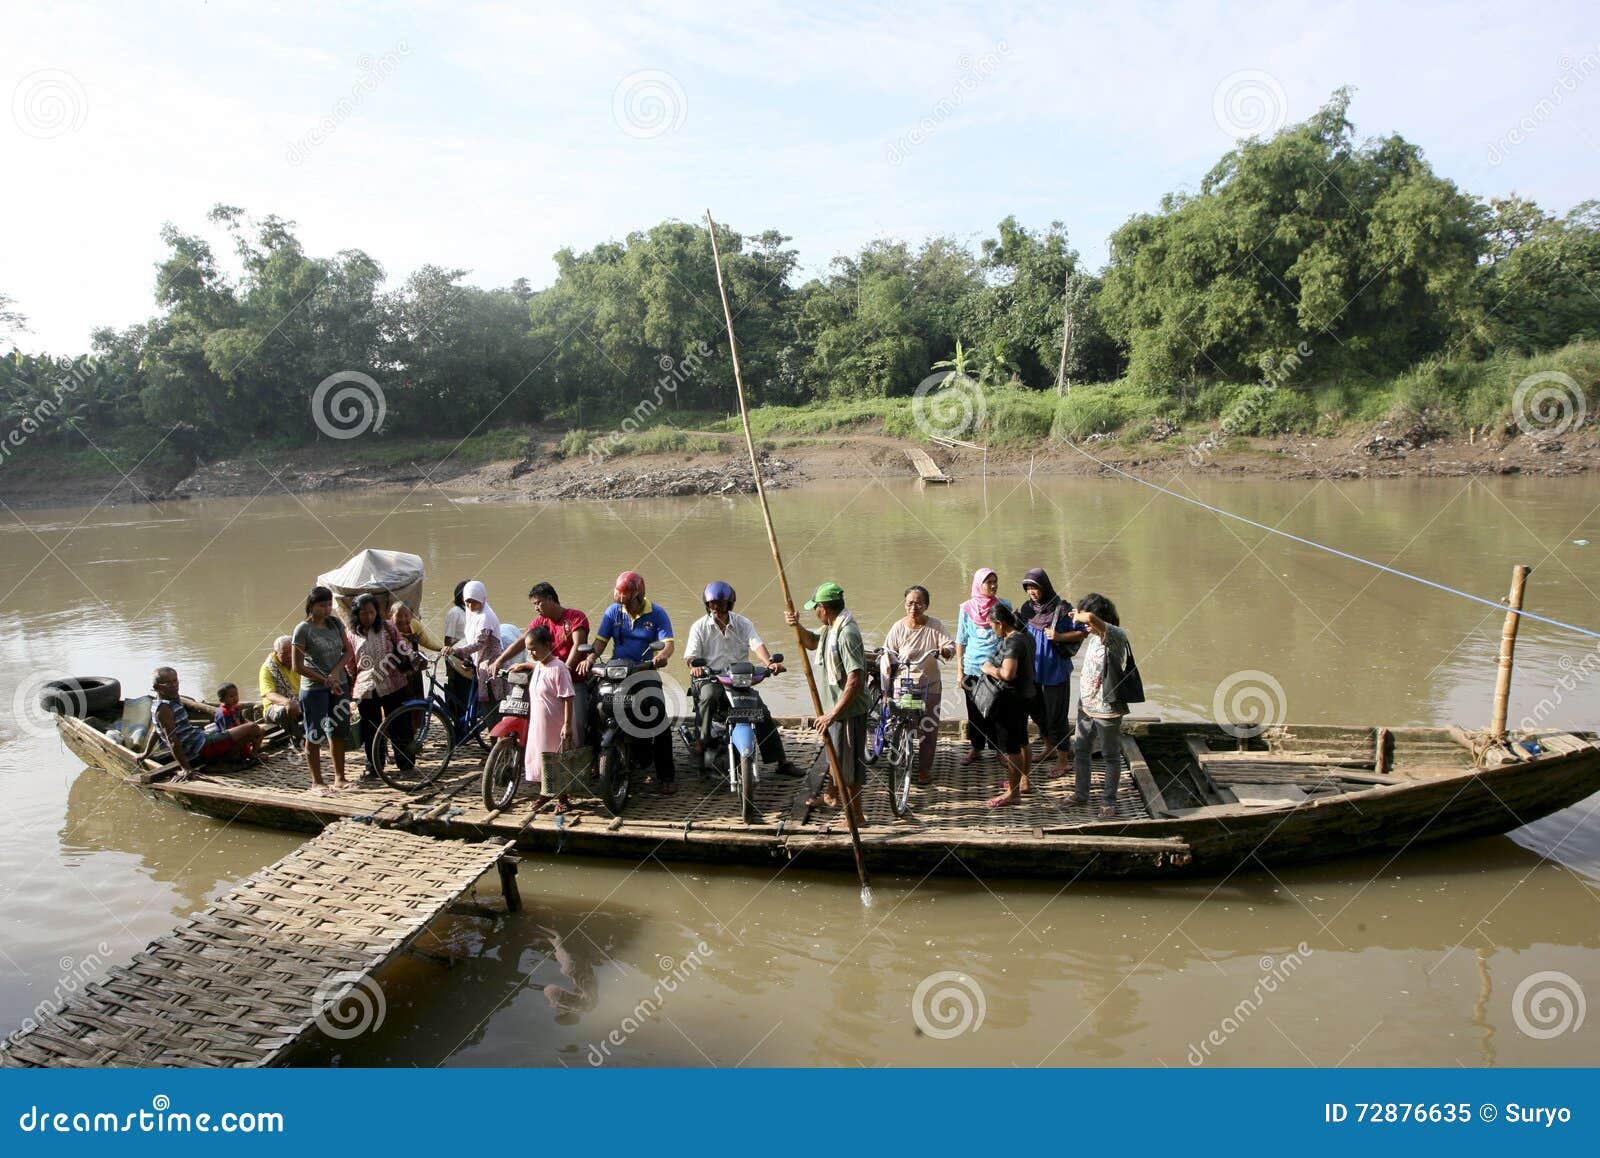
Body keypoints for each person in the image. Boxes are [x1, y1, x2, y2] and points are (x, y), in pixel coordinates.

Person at [684, 580, 801, 777]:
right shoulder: (699, 627)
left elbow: (757, 646)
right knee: (709, 696)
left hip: (738, 679)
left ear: (729, 604)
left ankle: (781, 761)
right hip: (711, 679)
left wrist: (770, 663)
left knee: (761, 712)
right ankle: (700, 742)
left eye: (720, 604)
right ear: (707, 604)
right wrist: (695, 667)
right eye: (712, 604)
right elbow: (690, 657)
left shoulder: (743, 623)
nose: (715, 608)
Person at [578, 571, 677, 794]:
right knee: (594, 709)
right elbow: (600, 641)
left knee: (658, 717)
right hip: (616, 669)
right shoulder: (613, 612)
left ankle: (666, 775)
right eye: (621, 601)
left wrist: (661, 657)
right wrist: (591, 658)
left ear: (640, 597)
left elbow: (668, 643)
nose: (626, 606)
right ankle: (593, 761)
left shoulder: (657, 613)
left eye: (629, 601)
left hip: (644, 670)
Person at [784, 581, 868, 826]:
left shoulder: (846, 632)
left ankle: (856, 816)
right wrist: (795, 624)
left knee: (849, 767)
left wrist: (832, 714)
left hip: (847, 712)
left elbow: (855, 679)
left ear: (824, 608)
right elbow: (811, 642)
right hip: (833, 710)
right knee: (835, 756)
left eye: (815, 609)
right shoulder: (831, 627)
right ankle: (831, 796)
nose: (815, 613)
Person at [878, 585, 956, 785]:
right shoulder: (897, 627)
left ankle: (924, 770)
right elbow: (888, 654)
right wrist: (886, 688)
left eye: (919, 603)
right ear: (905, 605)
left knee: (928, 730)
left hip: (929, 687)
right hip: (904, 687)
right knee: (905, 726)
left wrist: (945, 651)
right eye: (910, 603)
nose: (914, 607)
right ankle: (903, 762)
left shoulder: (935, 625)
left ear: (926, 605)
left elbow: (950, 645)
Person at [497, 582, 592, 744]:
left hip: (573, 682)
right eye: (534, 604)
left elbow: (578, 645)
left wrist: (565, 670)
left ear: (551, 599)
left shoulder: (575, 617)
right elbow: (523, 641)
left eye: (538, 603)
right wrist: (499, 660)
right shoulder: (541, 621)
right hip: (547, 681)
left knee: (576, 729)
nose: (536, 608)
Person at [1070, 593, 1133, 820]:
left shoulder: (1114, 635)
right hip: (1085, 705)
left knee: (1110, 756)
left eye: (1088, 621)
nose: (1084, 625)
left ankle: (1108, 801)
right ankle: (1080, 795)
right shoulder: (1094, 636)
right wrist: (1080, 619)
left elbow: (1088, 617)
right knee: (1081, 751)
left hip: (1107, 708)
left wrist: (1080, 615)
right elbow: (1088, 620)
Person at [141, 667, 264, 781]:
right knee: (252, 728)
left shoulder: (171, 698)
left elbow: (156, 730)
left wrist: (146, 753)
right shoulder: (164, 708)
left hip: (199, 738)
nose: (174, 685)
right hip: (199, 747)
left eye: (175, 681)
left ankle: (230, 758)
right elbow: (172, 739)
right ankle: (223, 762)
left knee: (252, 731)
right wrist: (186, 768)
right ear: (157, 688)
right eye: (168, 683)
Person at [1019, 568, 1085, 779]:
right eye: (1028, 588)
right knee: (1038, 712)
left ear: (1044, 587)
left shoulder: (1062, 608)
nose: (1032, 592)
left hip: (1055, 671)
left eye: (1035, 587)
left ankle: (1063, 760)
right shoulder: (1027, 610)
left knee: (1057, 717)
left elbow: (1083, 631)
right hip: (1033, 671)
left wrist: (1059, 637)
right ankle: (1048, 748)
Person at [508, 624, 577, 814]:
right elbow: (537, 664)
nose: (531, 653)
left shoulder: (559, 669)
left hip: (555, 724)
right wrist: (524, 664)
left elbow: (568, 697)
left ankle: (563, 799)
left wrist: (567, 724)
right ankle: (545, 793)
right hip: (538, 723)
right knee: (538, 758)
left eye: (534, 649)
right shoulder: (539, 665)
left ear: (547, 645)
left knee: (557, 759)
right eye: (528, 650)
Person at [293, 585, 355, 794]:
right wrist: (324, 679)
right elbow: (298, 666)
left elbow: (347, 651)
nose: (327, 609)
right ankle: (317, 782)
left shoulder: (335, 624)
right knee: (315, 734)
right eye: (322, 605)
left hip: (339, 684)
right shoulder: (303, 630)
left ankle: (340, 778)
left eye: (329, 605)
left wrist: (336, 673)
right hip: (314, 689)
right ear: (311, 606)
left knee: (339, 731)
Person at [346, 592, 409, 775]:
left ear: (377, 612)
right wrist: (352, 689)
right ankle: (375, 765)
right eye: (364, 613)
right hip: (365, 689)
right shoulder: (350, 634)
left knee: (399, 724)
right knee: (371, 729)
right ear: (356, 614)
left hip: (393, 683)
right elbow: (350, 664)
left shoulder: (388, 627)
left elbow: (402, 645)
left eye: (372, 612)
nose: (368, 617)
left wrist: (409, 657)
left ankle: (405, 763)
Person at [981, 603, 1036, 808]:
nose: (991, 630)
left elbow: (1007, 674)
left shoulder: (1013, 642)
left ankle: (1012, 794)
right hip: (1027, 694)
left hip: (1012, 699)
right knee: (1023, 740)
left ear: (1001, 624)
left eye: (992, 626)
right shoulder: (1026, 636)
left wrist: (988, 668)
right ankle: (1023, 780)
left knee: (1012, 747)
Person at [954, 567, 1010, 764]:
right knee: (975, 712)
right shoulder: (966, 608)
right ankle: (976, 748)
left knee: (998, 711)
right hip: (972, 668)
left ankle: (1000, 750)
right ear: (979, 584)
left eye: (995, 581)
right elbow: (961, 640)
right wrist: (960, 671)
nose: (993, 586)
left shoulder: (1004, 605)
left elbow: (1009, 635)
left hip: (997, 669)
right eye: (989, 582)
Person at [442, 580, 503, 708]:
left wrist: (456, 651)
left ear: (481, 599)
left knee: (493, 705)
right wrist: (467, 658)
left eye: (474, 601)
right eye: (467, 601)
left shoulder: (486, 617)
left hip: (491, 664)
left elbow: (479, 644)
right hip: (478, 663)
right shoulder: (473, 615)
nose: (470, 605)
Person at [389, 600, 440, 701]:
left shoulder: (415, 625)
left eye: (406, 615)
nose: (403, 619)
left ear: (411, 616)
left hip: (414, 669)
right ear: (391, 617)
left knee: (417, 699)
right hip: (396, 672)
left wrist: (441, 648)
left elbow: (426, 641)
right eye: (399, 616)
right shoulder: (388, 630)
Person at [258, 635, 303, 740]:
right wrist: (287, 702)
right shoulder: (267, 668)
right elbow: (270, 694)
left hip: (298, 700)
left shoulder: (299, 661)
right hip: (274, 707)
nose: (289, 656)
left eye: (291, 652)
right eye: (284, 653)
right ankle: (298, 738)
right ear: (276, 653)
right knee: (285, 710)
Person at [442, 579, 473, 720]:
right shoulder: (455, 612)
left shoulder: (472, 611)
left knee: (470, 692)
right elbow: (448, 640)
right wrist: (448, 664)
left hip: (471, 658)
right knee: (459, 692)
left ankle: (470, 720)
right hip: (457, 659)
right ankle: (459, 723)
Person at [210, 683, 257, 759]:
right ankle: (236, 756)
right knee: (250, 734)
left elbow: (243, 721)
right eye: (231, 696)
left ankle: (253, 753)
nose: (235, 698)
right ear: (222, 700)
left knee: (259, 731)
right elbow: (226, 734)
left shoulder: (235, 709)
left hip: (237, 735)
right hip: (228, 741)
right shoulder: (222, 713)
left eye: (236, 695)